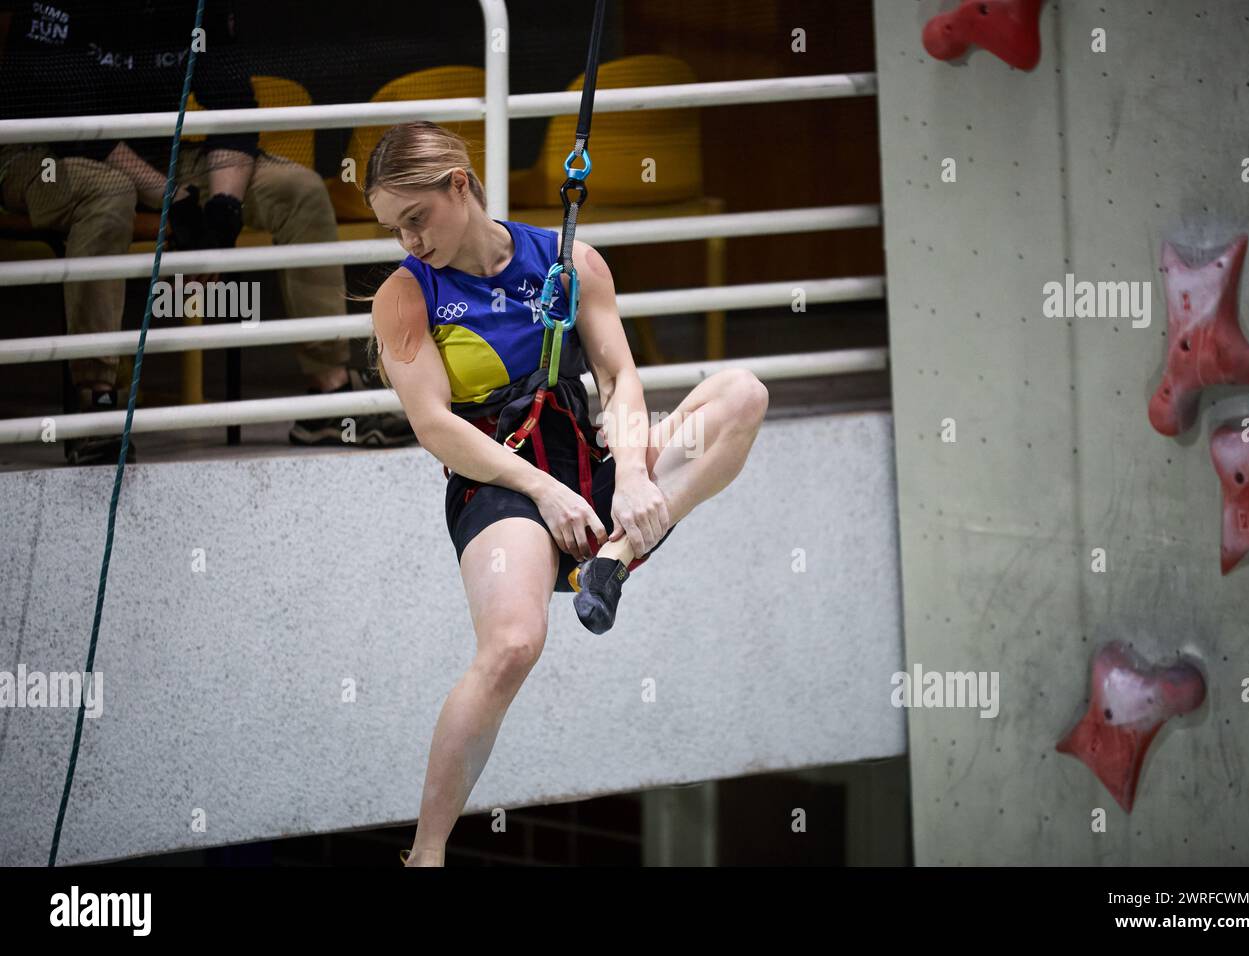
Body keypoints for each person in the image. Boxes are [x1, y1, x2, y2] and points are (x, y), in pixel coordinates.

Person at [363, 121, 768, 866]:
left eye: (415, 219)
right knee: (514, 645)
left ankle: (611, 558)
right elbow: (434, 427)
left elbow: (617, 378)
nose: (408, 242)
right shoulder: (404, 298)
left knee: (741, 395)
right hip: (502, 483)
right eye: (394, 229)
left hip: (592, 463)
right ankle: (425, 855)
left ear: (461, 183)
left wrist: (640, 473)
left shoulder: (569, 259)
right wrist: (542, 492)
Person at [0, 0, 415, 464]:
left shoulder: (204, 6)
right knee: (110, 192)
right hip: (37, 150)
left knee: (296, 189)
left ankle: (328, 394)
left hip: (157, 147)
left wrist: (221, 211)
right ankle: (96, 404)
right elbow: (72, 124)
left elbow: (233, 108)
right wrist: (175, 202)